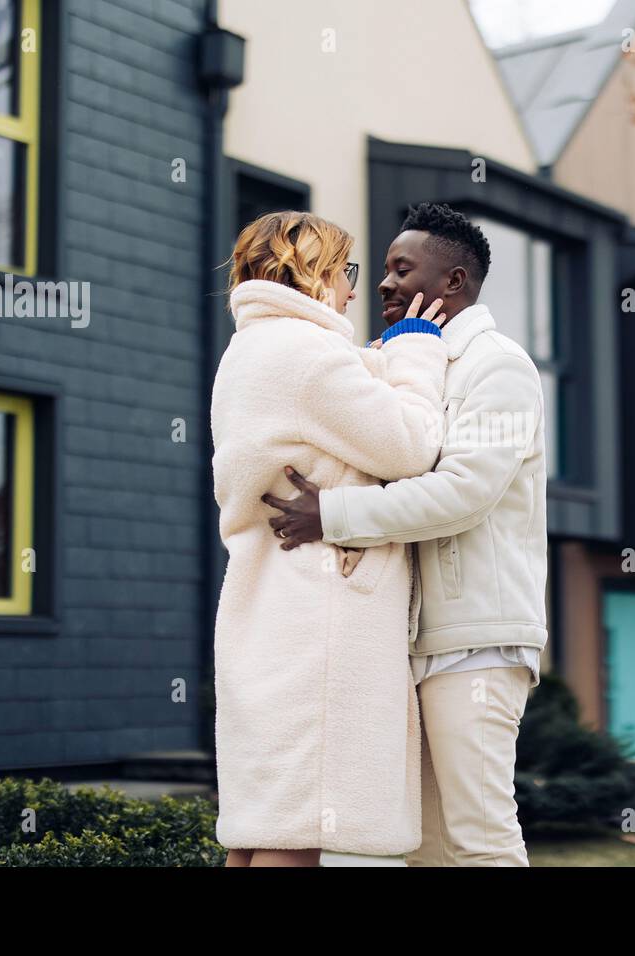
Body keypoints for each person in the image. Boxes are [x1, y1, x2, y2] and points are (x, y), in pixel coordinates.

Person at [265, 203, 548, 866]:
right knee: (425, 847)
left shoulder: (498, 367)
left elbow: (464, 495)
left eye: (402, 269)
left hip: (475, 643)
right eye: (382, 271)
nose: (383, 284)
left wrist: (331, 517)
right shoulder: (399, 365)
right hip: (407, 642)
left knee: (479, 836)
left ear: (452, 282)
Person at [211, 210, 448, 867]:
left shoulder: (250, 351)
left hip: (266, 609)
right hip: (316, 616)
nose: (353, 290)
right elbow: (412, 444)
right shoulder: (305, 352)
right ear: (313, 275)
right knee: (299, 830)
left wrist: (371, 364)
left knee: (262, 827)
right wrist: (415, 349)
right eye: (345, 272)